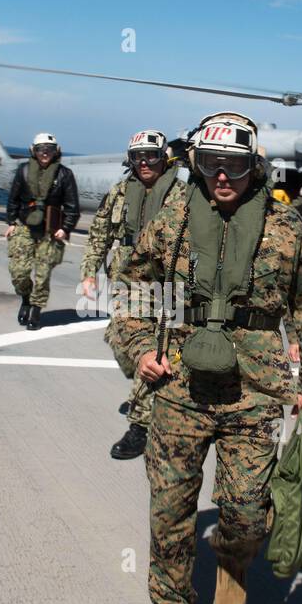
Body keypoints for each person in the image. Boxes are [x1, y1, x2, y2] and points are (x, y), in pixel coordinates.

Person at [118, 111, 302, 604]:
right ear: (196, 163)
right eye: (211, 164)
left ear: (253, 166)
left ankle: (234, 562)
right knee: (170, 508)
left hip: (256, 388)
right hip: (179, 386)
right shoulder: (173, 220)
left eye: (234, 166)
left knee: (245, 508)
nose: (222, 176)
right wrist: (139, 347)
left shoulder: (288, 230)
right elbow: (134, 285)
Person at [80, 130, 183, 460]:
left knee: (152, 351)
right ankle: (151, 391)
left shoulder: (182, 195)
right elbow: (99, 232)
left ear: (163, 158)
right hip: (127, 285)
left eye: (151, 156)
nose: (144, 163)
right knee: (121, 344)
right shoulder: (121, 192)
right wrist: (88, 272)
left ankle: (139, 427)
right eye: (137, 158)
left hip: (168, 287)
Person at [4, 133, 79, 330]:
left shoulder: (64, 175)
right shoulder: (24, 171)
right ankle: (26, 299)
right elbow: (13, 199)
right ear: (33, 151)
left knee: (43, 274)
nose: (45, 153)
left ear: (56, 152)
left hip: (50, 231)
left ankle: (36, 310)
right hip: (25, 226)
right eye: (41, 149)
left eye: (49, 149)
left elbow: (72, 206)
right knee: (18, 272)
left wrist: (65, 228)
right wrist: (11, 221)